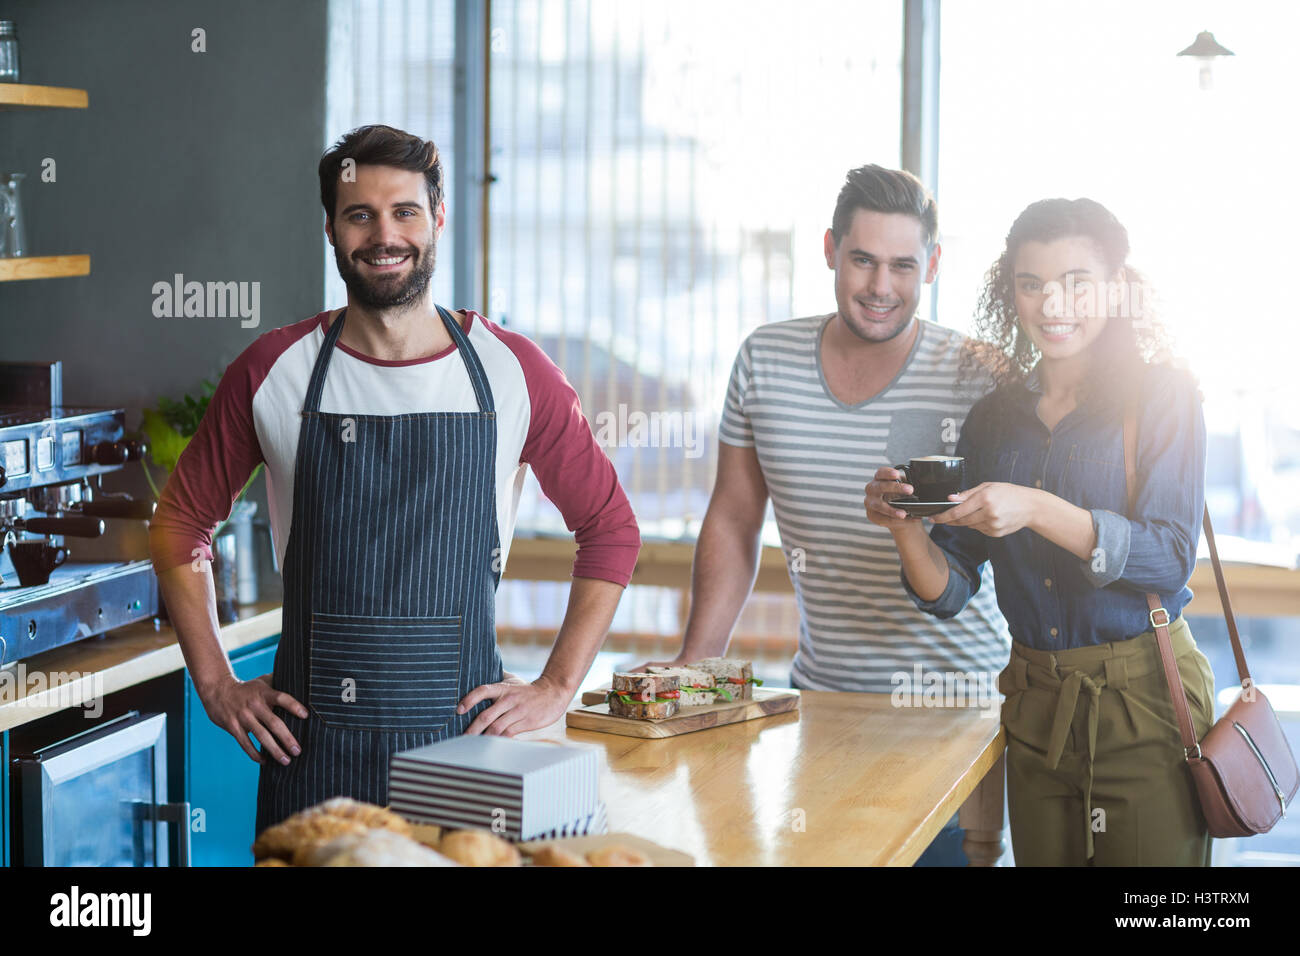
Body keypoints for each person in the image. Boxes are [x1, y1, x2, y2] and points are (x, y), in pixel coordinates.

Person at [149, 124, 641, 833]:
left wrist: (558, 686)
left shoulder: (511, 372)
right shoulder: (272, 371)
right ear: (331, 229)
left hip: (468, 761)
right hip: (311, 762)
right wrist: (215, 684)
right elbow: (177, 526)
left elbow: (610, 528)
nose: (385, 234)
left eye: (404, 211)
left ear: (437, 218)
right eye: (360, 214)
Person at [638, 165, 1011, 866]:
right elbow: (733, 518)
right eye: (862, 260)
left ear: (932, 264)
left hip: (958, 709)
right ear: (829, 249)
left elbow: (1002, 531)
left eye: (903, 265)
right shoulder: (764, 359)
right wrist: (698, 659)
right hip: (825, 706)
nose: (880, 286)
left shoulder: (977, 372)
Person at [865, 197, 1214, 866]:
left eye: (1077, 281)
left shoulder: (1164, 396)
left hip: (1143, 702)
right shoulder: (996, 418)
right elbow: (951, 588)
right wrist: (904, 528)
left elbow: (1168, 558)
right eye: (1032, 284)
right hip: (1032, 706)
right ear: (1011, 292)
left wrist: (1035, 508)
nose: (1053, 303)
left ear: (1115, 287)